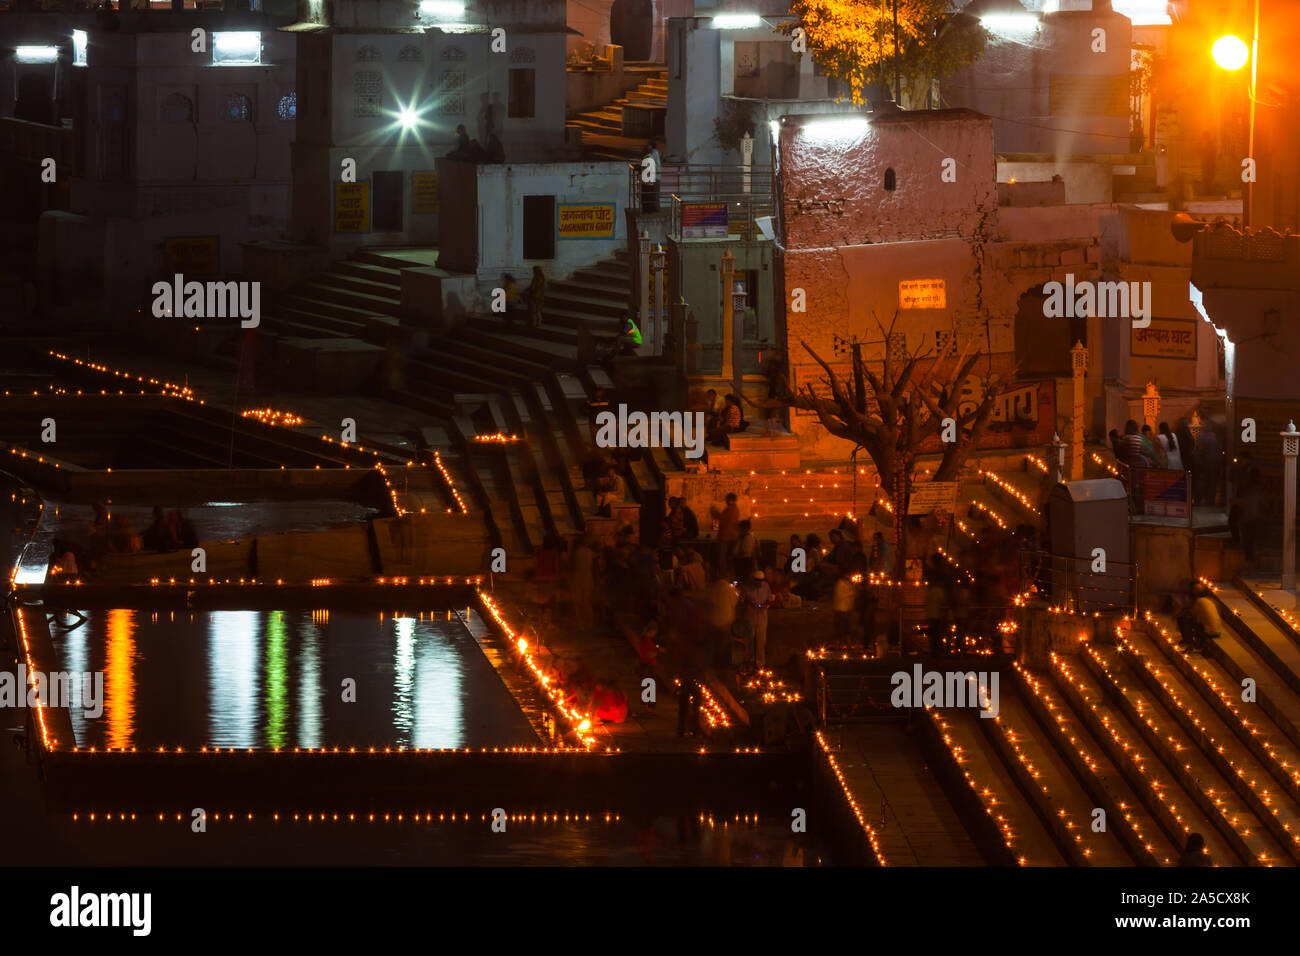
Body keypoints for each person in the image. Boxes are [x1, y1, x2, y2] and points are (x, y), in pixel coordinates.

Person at [742, 569, 772, 668]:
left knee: (761, 642)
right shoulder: (747, 588)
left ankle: (760, 664)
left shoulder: (766, 586)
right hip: (751, 617)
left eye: (761, 581)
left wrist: (765, 605)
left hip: (762, 617)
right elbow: (742, 600)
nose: (759, 583)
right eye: (757, 581)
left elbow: (769, 600)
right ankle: (749, 663)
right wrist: (750, 604)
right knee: (749, 641)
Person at [710, 493, 741, 577]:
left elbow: (722, 519)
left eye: (727, 499)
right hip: (731, 537)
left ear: (730, 500)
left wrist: (714, 512)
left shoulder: (730, 510)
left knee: (722, 559)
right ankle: (728, 576)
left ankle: (723, 576)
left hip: (725, 537)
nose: (726, 501)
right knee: (728, 559)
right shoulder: (736, 510)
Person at [569, 534, 595, 629]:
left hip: (577, 578)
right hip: (587, 578)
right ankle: (589, 622)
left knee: (577, 602)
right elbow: (593, 567)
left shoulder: (576, 552)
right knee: (586, 601)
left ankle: (580, 623)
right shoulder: (590, 552)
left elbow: (572, 566)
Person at [641, 139, 661, 212]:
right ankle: (655, 209)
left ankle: (655, 209)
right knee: (654, 194)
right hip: (655, 176)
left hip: (655, 177)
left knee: (654, 195)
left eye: (648, 145)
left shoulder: (653, 153)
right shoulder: (655, 152)